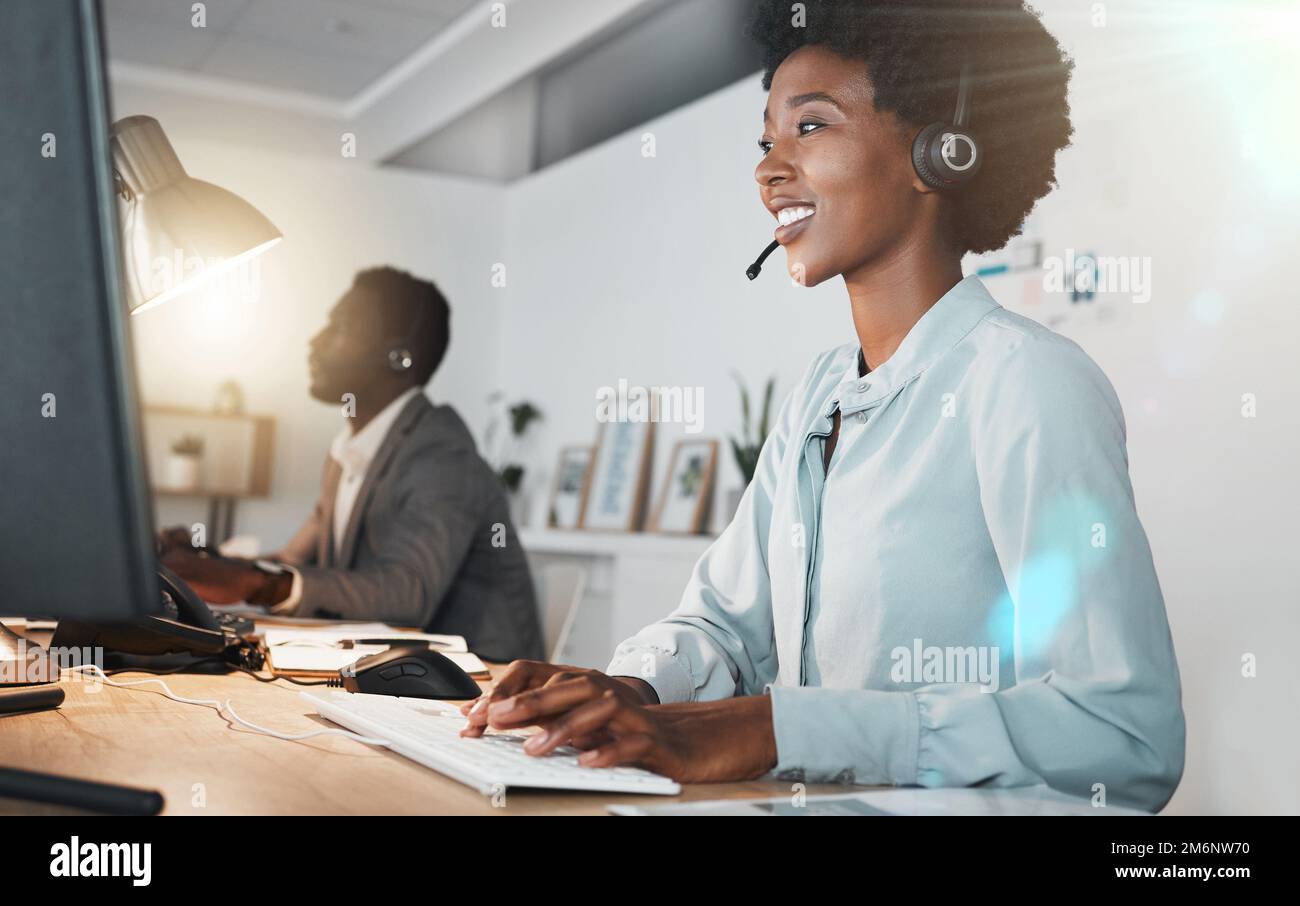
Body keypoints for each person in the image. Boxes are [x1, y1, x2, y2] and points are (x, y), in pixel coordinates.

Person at [458, 0, 1185, 811]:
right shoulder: (819, 395)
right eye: (766, 140)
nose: (768, 170)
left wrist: (780, 727)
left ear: (939, 155)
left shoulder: (1026, 383)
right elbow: (727, 626)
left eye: (810, 128)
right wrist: (628, 688)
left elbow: (1121, 735)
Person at [160, 267, 544, 662]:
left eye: (340, 326)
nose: (315, 341)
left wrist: (255, 583)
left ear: (399, 357)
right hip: (392, 674)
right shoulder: (349, 449)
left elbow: (405, 593)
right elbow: (291, 565)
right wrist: (204, 563)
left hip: (482, 687)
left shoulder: (442, 454)